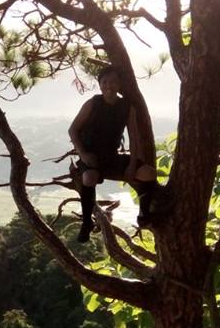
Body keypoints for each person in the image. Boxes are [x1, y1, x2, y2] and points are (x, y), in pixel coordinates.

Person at [68, 65, 158, 242]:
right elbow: (73, 129)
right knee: (89, 178)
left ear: (119, 84)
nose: (109, 85)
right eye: (105, 82)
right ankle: (87, 222)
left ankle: (143, 214)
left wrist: (132, 165)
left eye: (114, 81)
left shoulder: (126, 107)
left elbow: (134, 138)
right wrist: (84, 155)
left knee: (149, 173)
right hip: (92, 156)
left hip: (112, 156)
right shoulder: (93, 103)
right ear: (100, 85)